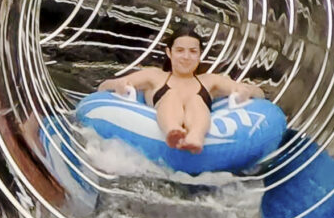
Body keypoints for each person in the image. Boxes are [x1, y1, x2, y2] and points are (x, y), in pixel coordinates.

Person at [103, 26, 267, 152]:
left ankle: (196, 135)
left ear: (200, 55)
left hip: (198, 116)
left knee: (196, 100)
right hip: (160, 125)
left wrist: (246, 91)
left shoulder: (209, 81)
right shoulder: (154, 76)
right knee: (171, 95)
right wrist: (119, 86)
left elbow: (258, 93)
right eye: (180, 51)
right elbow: (104, 86)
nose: (186, 57)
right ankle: (173, 130)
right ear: (169, 52)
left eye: (193, 52)